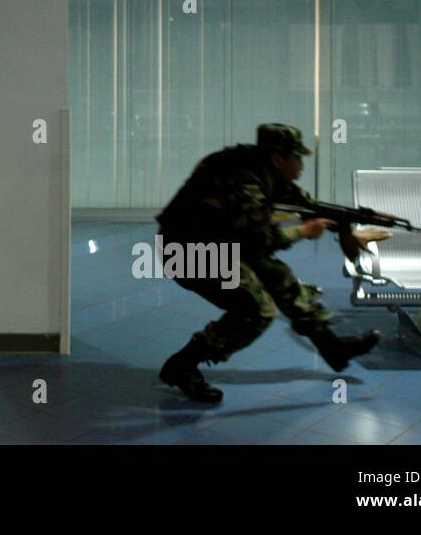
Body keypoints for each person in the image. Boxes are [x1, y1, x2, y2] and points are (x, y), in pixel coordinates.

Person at [155, 124, 380, 402]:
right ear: (277, 158)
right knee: (255, 309)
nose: (301, 166)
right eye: (297, 158)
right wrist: (303, 231)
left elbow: (306, 205)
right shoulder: (242, 180)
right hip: (187, 253)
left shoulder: (263, 171)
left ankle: (333, 348)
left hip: (217, 244)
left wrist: (348, 225)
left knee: (277, 277)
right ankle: (182, 365)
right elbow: (260, 239)